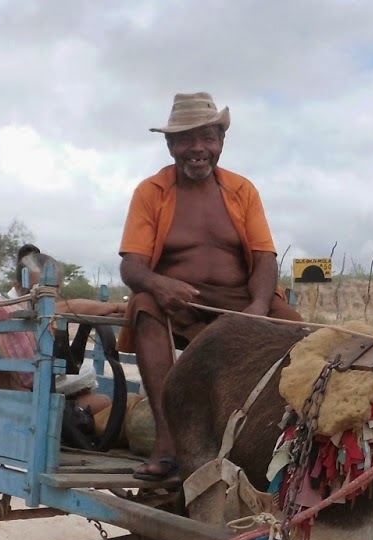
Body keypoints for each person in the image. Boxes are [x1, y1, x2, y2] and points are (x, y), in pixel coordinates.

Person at [117, 91, 302, 480]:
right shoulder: (151, 192)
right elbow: (132, 266)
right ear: (170, 145)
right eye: (185, 139)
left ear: (221, 142)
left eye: (208, 138)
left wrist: (256, 307)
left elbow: (265, 258)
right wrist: (159, 283)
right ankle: (168, 442)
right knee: (144, 305)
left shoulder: (242, 190)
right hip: (178, 304)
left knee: (292, 323)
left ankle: (278, 439)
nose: (197, 149)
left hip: (238, 299)